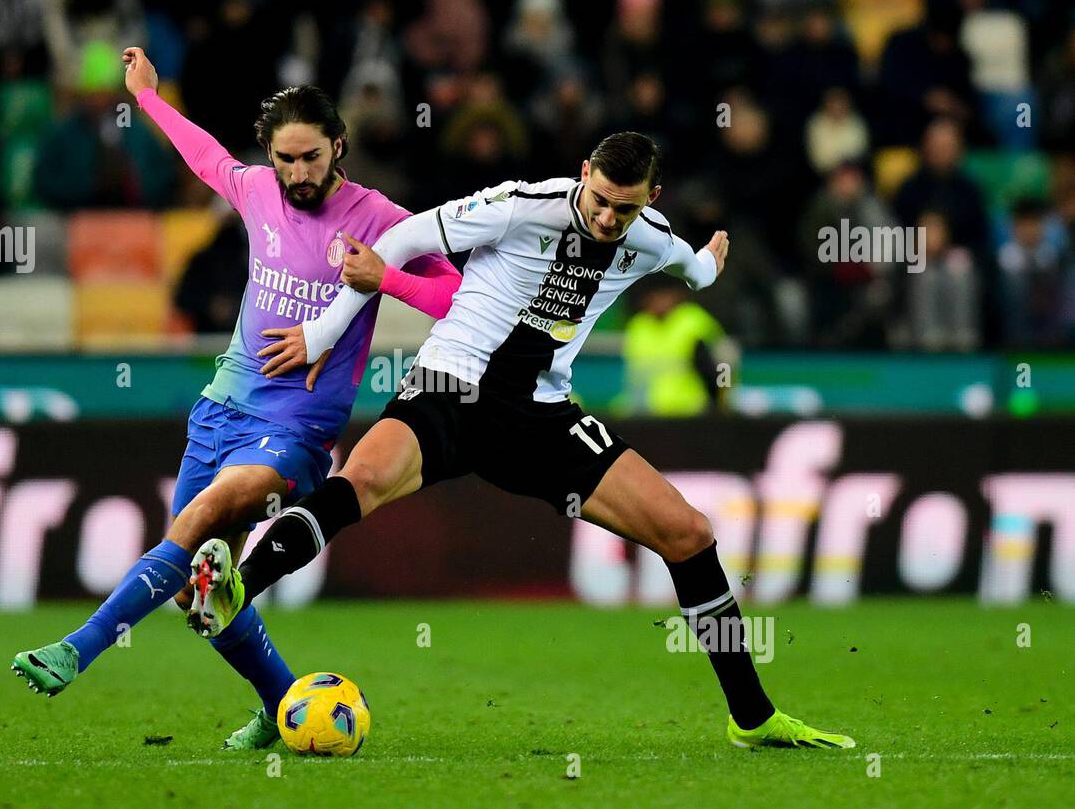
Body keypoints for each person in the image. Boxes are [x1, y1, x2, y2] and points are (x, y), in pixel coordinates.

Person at [197, 131, 855, 749]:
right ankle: (237, 587)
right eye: (598, 200)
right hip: (449, 387)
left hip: (540, 416)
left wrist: (709, 264)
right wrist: (326, 330)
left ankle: (754, 716)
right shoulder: (519, 206)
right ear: (583, 176)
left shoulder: (649, 237)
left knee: (689, 532)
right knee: (360, 482)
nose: (605, 219)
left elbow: (692, 268)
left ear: (650, 200)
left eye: (622, 209)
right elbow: (398, 239)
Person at [11, 48, 461, 752]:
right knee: (198, 591)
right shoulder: (257, 191)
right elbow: (204, 157)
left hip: (297, 427)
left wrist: (384, 279)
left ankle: (79, 646)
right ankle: (285, 703)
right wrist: (152, 98)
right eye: (285, 158)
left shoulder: (379, 219)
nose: (298, 173)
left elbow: (453, 294)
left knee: (213, 512)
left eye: (312, 157)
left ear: (338, 147)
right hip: (221, 407)